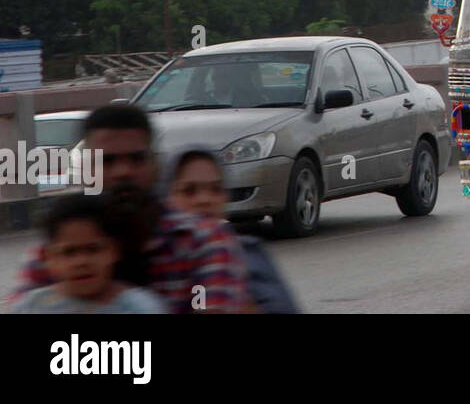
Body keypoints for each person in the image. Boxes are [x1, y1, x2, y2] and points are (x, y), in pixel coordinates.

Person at [9, 104, 251, 313]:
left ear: (155, 164)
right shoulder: (57, 249)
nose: (123, 172)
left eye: (136, 159)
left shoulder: (202, 241)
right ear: (87, 169)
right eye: (107, 161)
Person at [166, 148, 300, 314]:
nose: (204, 199)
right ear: (167, 199)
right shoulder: (155, 258)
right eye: (189, 191)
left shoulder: (248, 256)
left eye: (216, 189)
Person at [10, 193, 167, 314]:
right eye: (69, 252)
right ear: (49, 258)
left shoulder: (142, 308)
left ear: (114, 251)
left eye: (93, 249)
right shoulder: (31, 307)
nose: (82, 262)